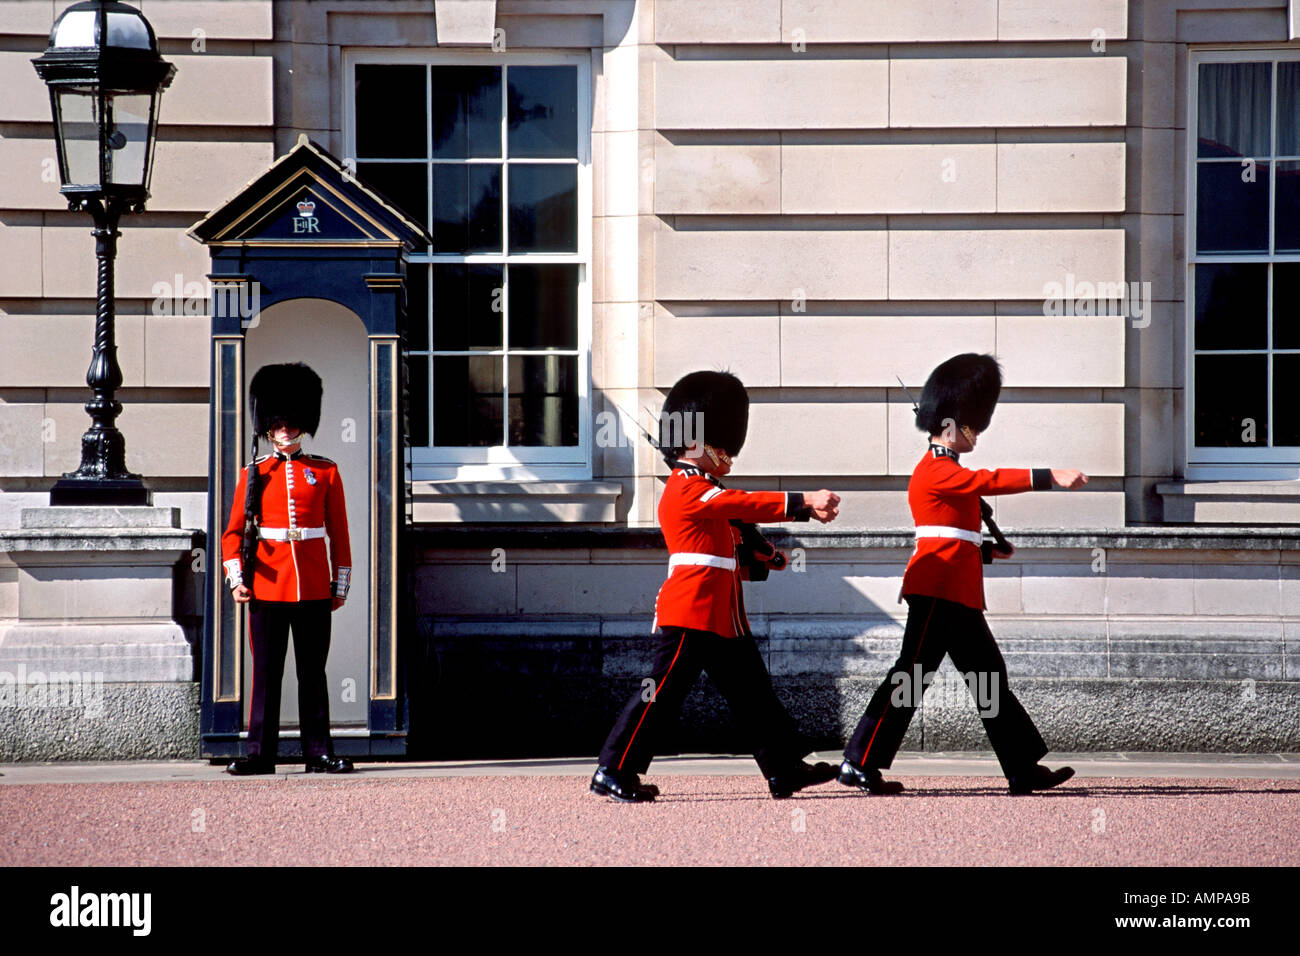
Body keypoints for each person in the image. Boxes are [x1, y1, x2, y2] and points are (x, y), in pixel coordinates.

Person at [839, 353, 1088, 796]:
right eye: (972, 425)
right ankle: (859, 760)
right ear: (952, 424)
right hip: (937, 592)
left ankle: (1021, 767)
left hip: (956, 593)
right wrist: (1049, 475)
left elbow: (952, 535)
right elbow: (987, 481)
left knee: (988, 675)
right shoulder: (936, 470)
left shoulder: (948, 471)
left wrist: (989, 550)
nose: (976, 434)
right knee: (911, 675)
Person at [590, 370, 842, 802]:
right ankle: (613, 769)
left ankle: (783, 767)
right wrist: (803, 502)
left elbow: (731, 545)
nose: (728, 454)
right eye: (721, 443)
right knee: (660, 693)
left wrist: (767, 556)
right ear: (694, 442)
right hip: (692, 611)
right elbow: (738, 503)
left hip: (723, 615)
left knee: (754, 693)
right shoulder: (686, 488)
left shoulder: (707, 490)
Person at [221, 362, 355, 775]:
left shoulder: (325, 471)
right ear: (267, 426)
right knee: (266, 674)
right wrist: (236, 580)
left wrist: (340, 583)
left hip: (313, 584)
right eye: (276, 423)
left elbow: (340, 533)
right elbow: (233, 533)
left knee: (312, 673)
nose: (283, 430)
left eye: (290, 422)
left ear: (302, 424)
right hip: (266, 584)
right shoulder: (254, 475)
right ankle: (260, 755)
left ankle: (319, 753)